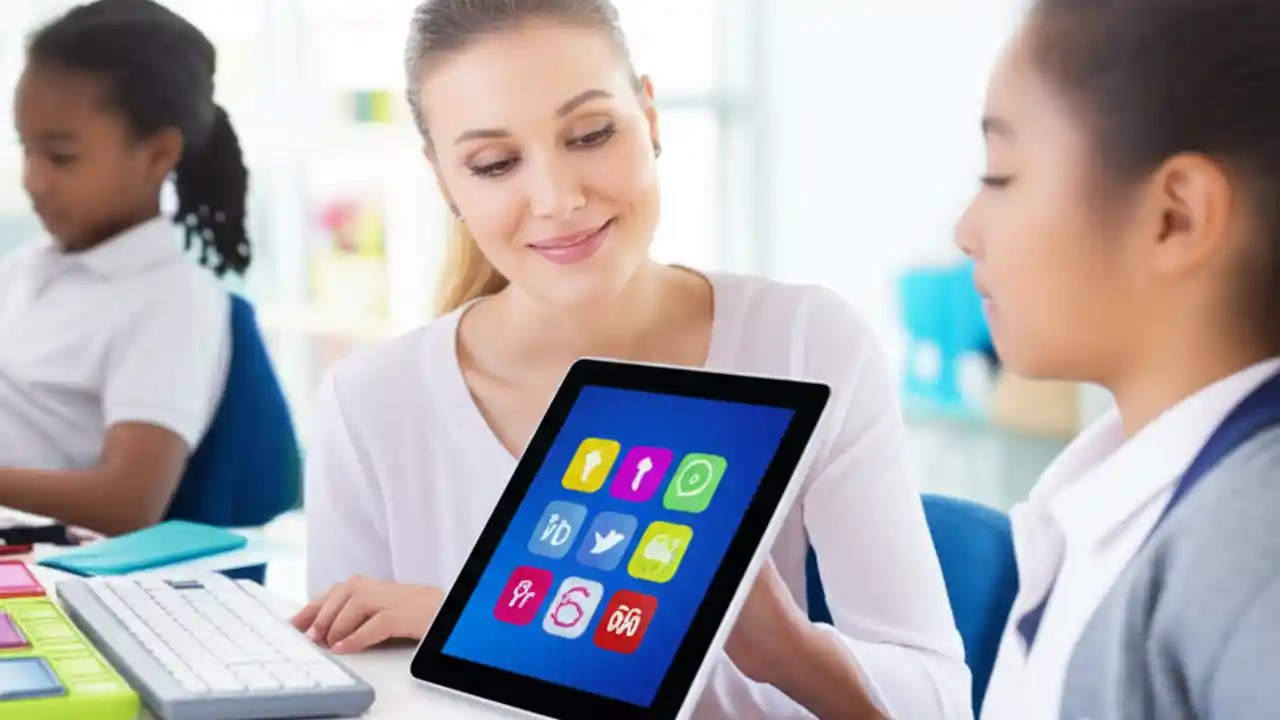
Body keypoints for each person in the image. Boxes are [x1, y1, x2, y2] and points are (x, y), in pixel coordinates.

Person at [292, 1, 971, 718]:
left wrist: (785, 647)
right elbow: (348, 696)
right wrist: (479, 622)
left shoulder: (807, 342)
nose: (558, 199)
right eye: (494, 164)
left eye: (589, 134)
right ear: (443, 181)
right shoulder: (370, 402)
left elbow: (940, 702)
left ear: (648, 116)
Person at [955, 0, 1280, 718]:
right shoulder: (1131, 488)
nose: (966, 230)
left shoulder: (1252, 547)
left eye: (1002, 175)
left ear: (1177, 217)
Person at [0, 0, 250, 535]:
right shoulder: (23, 269)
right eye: (26, 150)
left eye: (61, 158)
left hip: (42, 554)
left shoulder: (171, 298)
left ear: (158, 155)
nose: (33, 181)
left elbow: (127, 503)